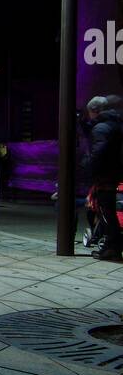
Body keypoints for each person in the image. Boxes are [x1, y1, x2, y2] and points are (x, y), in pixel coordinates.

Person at [84, 96, 122, 262]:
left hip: (105, 174)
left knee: (106, 211)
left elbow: (99, 152)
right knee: (109, 210)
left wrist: (88, 165)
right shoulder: (116, 124)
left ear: (94, 111)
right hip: (115, 172)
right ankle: (112, 245)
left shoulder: (101, 128)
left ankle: (111, 247)